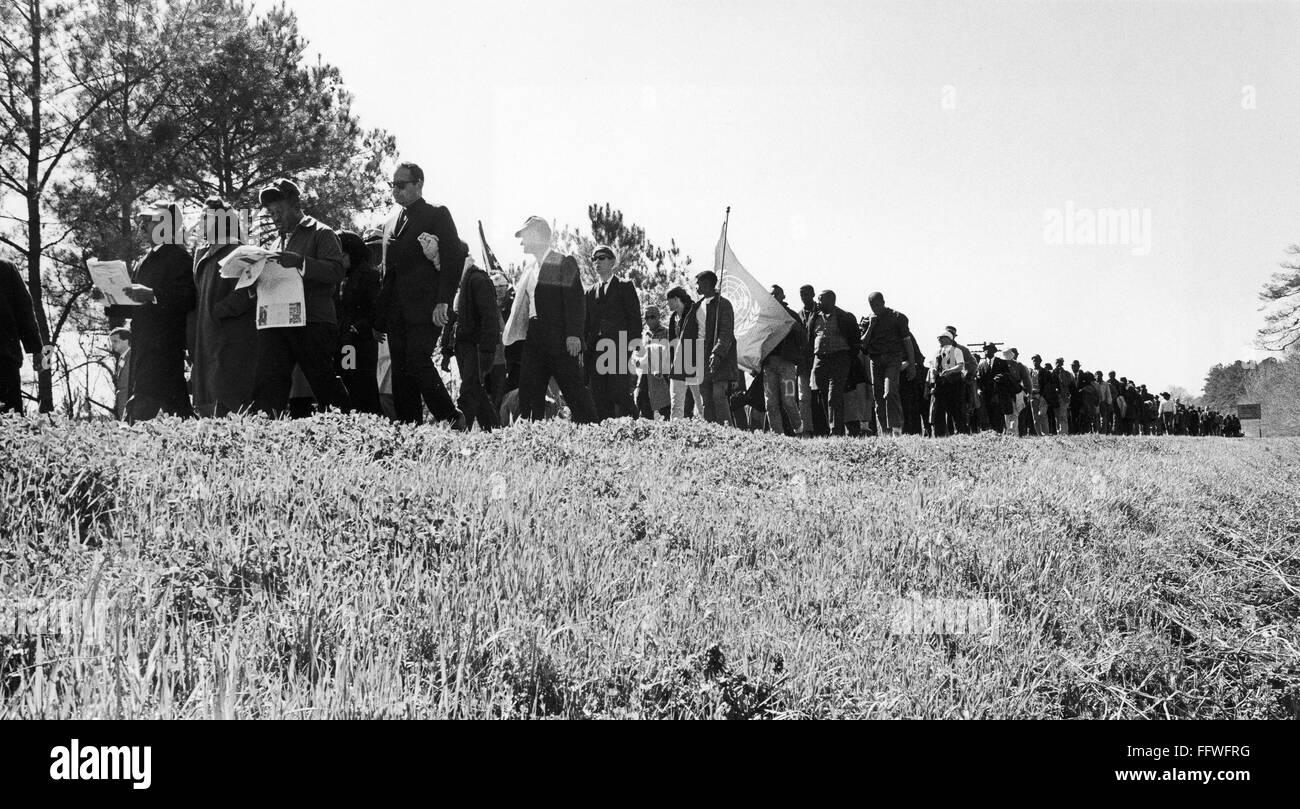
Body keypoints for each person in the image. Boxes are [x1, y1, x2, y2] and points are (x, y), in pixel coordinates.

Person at [248, 180, 352, 417]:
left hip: (313, 319)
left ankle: (346, 424)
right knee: (270, 377)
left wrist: (301, 262)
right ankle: (265, 427)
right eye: (271, 213)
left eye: (279, 211)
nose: (275, 217)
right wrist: (254, 281)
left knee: (321, 377)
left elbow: (336, 271)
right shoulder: (275, 242)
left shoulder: (321, 233)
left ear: (296, 205)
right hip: (278, 320)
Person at [372, 162, 463, 426]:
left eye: (401, 185)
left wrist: (443, 301)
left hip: (427, 308)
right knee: (401, 370)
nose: (395, 191)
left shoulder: (437, 213)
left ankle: (451, 417)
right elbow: (388, 274)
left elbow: (454, 258)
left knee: (417, 361)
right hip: (396, 311)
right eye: (393, 185)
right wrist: (380, 317)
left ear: (419, 184)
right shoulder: (391, 223)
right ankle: (409, 427)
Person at [105, 202, 196, 422]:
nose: (142, 226)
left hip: (165, 344)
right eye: (142, 221)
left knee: (142, 400)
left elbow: (188, 299)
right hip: (144, 343)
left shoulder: (180, 257)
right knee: (176, 405)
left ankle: (128, 438)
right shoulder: (143, 261)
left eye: (149, 221)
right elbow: (138, 305)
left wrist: (153, 294)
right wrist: (111, 300)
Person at [505, 216, 597, 423]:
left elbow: (575, 301)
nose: (522, 242)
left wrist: (574, 334)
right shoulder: (529, 269)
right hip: (535, 336)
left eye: (525, 236)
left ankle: (592, 427)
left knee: (573, 388)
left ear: (538, 235)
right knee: (529, 387)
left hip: (560, 337)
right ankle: (533, 431)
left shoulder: (563, 261)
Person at [191, 198, 256, 418]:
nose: (200, 224)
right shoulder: (203, 255)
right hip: (207, 338)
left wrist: (220, 311)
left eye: (206, 218)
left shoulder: (239, 251)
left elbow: (246, 293)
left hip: (232, 339)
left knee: (231, 398)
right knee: (209, 396)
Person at [445, 246, 502, 431]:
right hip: (463, 347)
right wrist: (446, 350)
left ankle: (458, 432)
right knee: (476, 390)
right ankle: (494, 432)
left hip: (475, 346)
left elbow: (489, 317)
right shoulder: (461, 282)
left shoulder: (478, 279)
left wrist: (487, 350)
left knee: (469, 391)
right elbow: (452, 320)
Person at [584, 244, 642, 420]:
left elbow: (634, 320)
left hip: (618, 348)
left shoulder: (625, 286)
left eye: (601, 258)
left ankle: (636, 424)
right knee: (599, 395)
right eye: (594, 259)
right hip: (596, 351)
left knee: (618, 392)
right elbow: (586, 324)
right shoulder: (590, 291)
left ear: (612, 262)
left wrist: (628, 350)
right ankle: (606, 433)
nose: (597, 262)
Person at [680, 270, 739, 424]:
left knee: (719, 395)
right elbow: (687, 333)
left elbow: (726, 333)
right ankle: (711, 431)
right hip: (700, 356)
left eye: (698, 283)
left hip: (720, 357)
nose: (697, 287)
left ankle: (727, 433)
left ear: (707, 284)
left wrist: (717, 353)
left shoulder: (724, 305)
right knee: (706, 397)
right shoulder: (697, 306)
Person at [335, 231, 383, 416]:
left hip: (358, 342)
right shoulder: (340, 276)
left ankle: (368, 419)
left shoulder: (368, 275)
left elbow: (375, 307)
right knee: (346, 379)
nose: (340, 259)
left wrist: (356, 328)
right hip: (343, 340)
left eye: (343, 255)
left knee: (360, 382)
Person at [860, 292, 917, 437]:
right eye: (872, 305)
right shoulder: (867, 320)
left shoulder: (898, 317)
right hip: (875, 360)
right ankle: (885, 432)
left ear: (883, 302)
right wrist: (871, 326)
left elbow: (907, 342)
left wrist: (911, 364)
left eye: (877, 304)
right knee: (878, 396)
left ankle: (896, 428)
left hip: (893, 358)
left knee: (890, 391)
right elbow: (863, 346)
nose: (875, 308)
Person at [807, 289, 860, 436]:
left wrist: (847, 357)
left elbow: (855, 341)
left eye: (820, 299)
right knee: (823, 395)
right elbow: (809, 338)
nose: (817, 302)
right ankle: (833, 427)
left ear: (831, 301)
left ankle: (835, 431)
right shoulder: (815, 317)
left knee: (834, 395)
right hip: (820, 360)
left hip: (839, 359)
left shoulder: (845, 317)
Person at [761, 285, 805, 436]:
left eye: (775, 294)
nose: (772, 297)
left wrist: (795, 328)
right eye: (770, 294)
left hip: (787, 365)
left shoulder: (792, 315)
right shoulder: (765, 316)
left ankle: (799, 429)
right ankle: (777, 436)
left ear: (782, 296)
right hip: (769, 366)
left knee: (789, 401)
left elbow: (803, 340)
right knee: (770, 403)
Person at [1, 258, 42, 414]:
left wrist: (36, 349)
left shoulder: (6, 269)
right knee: (10, 421)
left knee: (10, 418)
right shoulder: (6, 268)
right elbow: (24, 311)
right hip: (5, 356)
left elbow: (24, 310)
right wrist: (36, 350)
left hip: (5, 357)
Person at [665, 286, 698, 420]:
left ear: (676, 299)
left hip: (694, 363)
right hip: (678, 364)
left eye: (669, 301)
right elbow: (672, 344)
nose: (668, 304)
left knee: (700, 404)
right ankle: (675, 434)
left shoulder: (695, 311)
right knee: (676, 403)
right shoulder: (673, 317)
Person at [636, 305, 671, 420]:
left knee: (664, 404)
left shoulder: (666, 332)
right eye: (646, 318)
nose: (649, 320)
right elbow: (639, 354)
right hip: (646, 374)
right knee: (642, 400)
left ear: (658, 317)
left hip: (661, 374)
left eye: (652, 317)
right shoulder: (644, 335)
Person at [797, 285, 823, 436]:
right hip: (803, 362)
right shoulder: (798, 315)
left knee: (819, 396)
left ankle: (823, 429)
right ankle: (807, 430)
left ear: (813, 294)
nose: (804, 296)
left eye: (806, 293)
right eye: (801, 294)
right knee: (803, 398)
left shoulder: (820, 312)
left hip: (817, 360)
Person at [930, 331, 967, 436]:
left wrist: (950, 370)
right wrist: (934, 370)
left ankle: (961, 433)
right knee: (938, 410)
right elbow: (933, 365)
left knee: (956, 410)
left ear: (949, 339)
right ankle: (939, 435)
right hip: (941, 384)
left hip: (954, 384)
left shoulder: (956, 351)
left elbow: (960, 366)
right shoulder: (937, 352)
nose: (940, 340)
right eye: (939, 338)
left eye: (942, 338)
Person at [976, 343, 1013, 433]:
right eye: (985, 349)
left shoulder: (1002, 362)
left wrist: (1000, 378)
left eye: (989, 349)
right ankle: (993, 434)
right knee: (988, 416)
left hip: (999, 395)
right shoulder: (981, 365)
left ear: (994, 351)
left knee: (999, 416)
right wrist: (979, 390)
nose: (986, 351)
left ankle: (1000, 433)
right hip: (986, 395)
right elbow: (979, 380)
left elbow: (1007, 377)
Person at [1054, 358, 1074, 435]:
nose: (1058, 364)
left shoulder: (1067, 374)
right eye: (1057, 362)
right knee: (1056, 416)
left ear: (1062, 363)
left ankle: (1064, 432)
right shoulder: (1052, 373)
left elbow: (1067, 383)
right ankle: (1058, 432)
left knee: (1063, 415)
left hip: (1064, 396)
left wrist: (1061, 375)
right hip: (1054, 397)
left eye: (1060, 363)